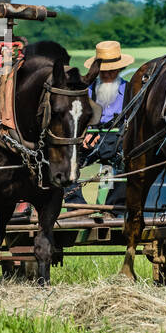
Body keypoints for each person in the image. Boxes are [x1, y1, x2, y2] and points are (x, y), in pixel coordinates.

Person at [68, 40, 135, 207]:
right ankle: (76, 205)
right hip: (89, 139)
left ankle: (113, 209)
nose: (107, 75)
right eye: (103, 72)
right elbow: (75, 118)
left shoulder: (130, 91)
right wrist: (84, 133)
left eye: (111, 71)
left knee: (129, 163)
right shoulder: (85, 92)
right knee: (66, 162)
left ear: (119, 69)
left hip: (117, 139)